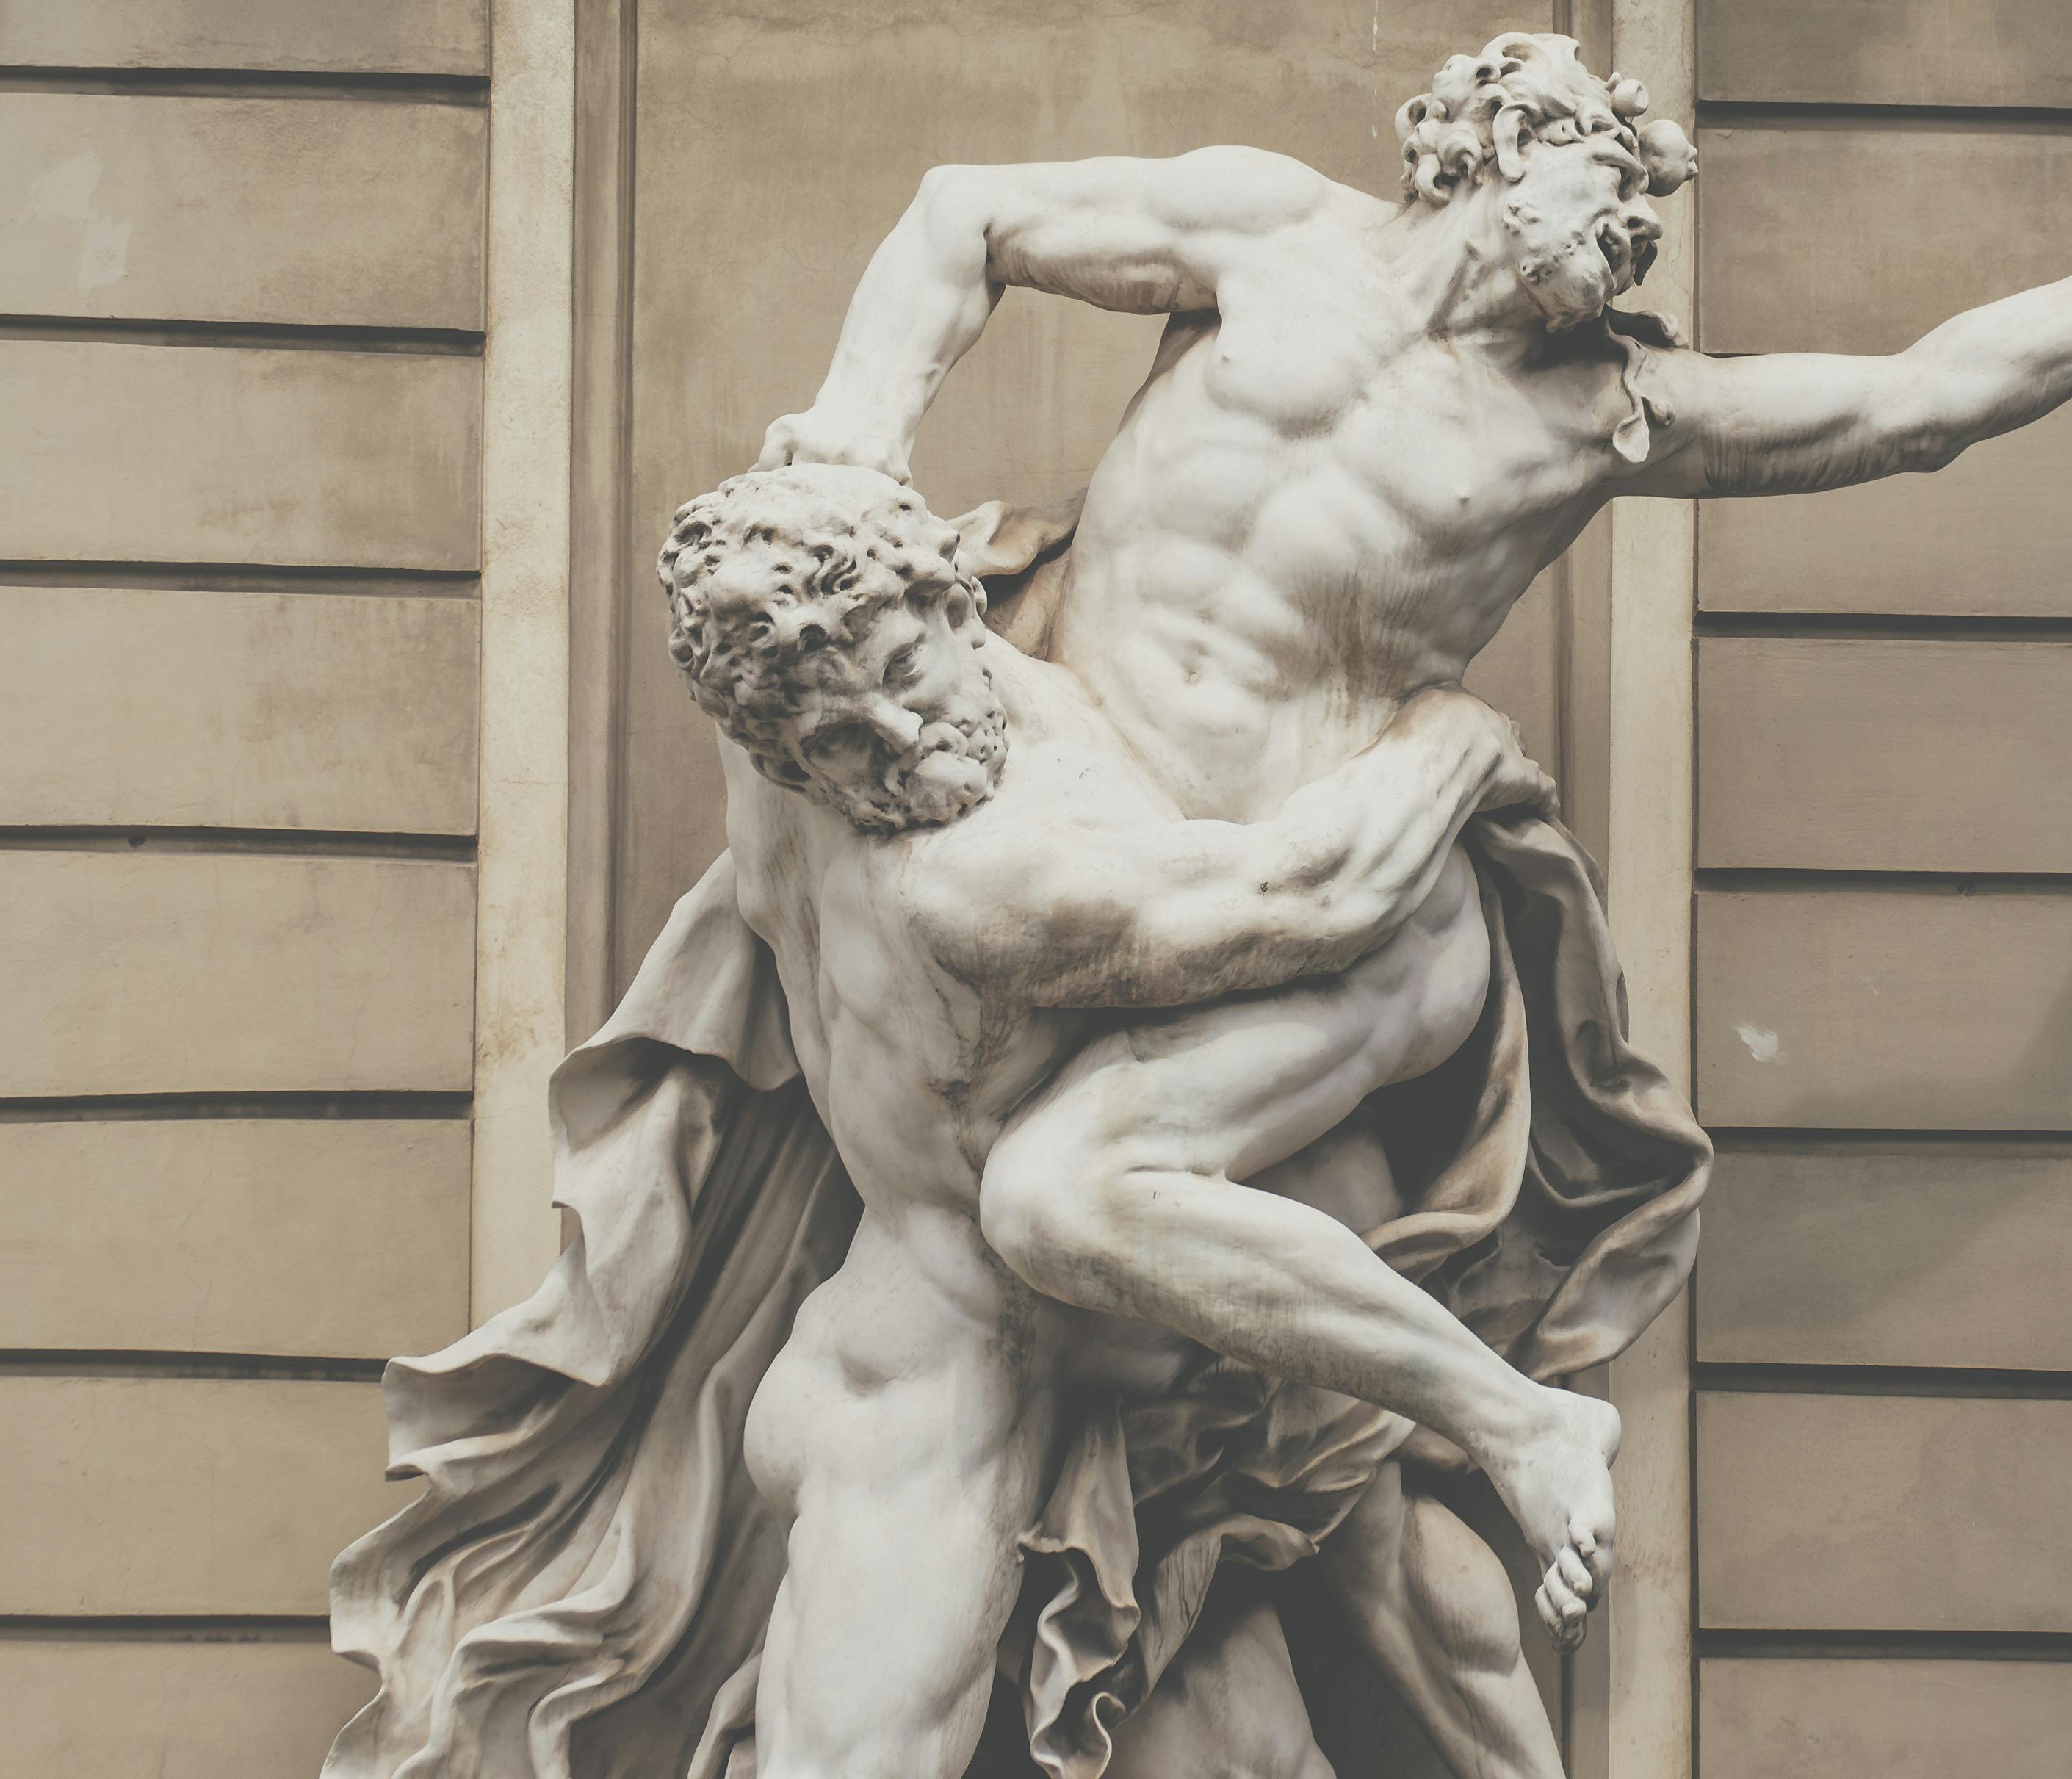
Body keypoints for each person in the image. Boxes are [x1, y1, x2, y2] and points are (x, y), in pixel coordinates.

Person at [754, 31, 2072, 1639]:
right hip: (1096, 843)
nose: (1646, 221)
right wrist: (850, 435)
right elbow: (968, 215)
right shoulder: (1269, 227)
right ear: (1497, 138)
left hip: (1343, 918)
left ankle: (1523, 1420)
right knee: (938, 1130)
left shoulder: (1606, 411)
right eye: (1621, 174)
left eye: (1651, 207)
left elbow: (1915, 400)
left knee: (1056, 1197)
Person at [653, 460, 1577, 1779]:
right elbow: (1306, 900)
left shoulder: (796, 676)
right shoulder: (979, 875)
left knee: (1276, 1706)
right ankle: (1516, 1424)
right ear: (781, 752)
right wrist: (1457, 741)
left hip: (1045, 1338)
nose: (898, 744)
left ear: (956, 599)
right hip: (940, 1365)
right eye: (843, 741)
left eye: (907, 677)